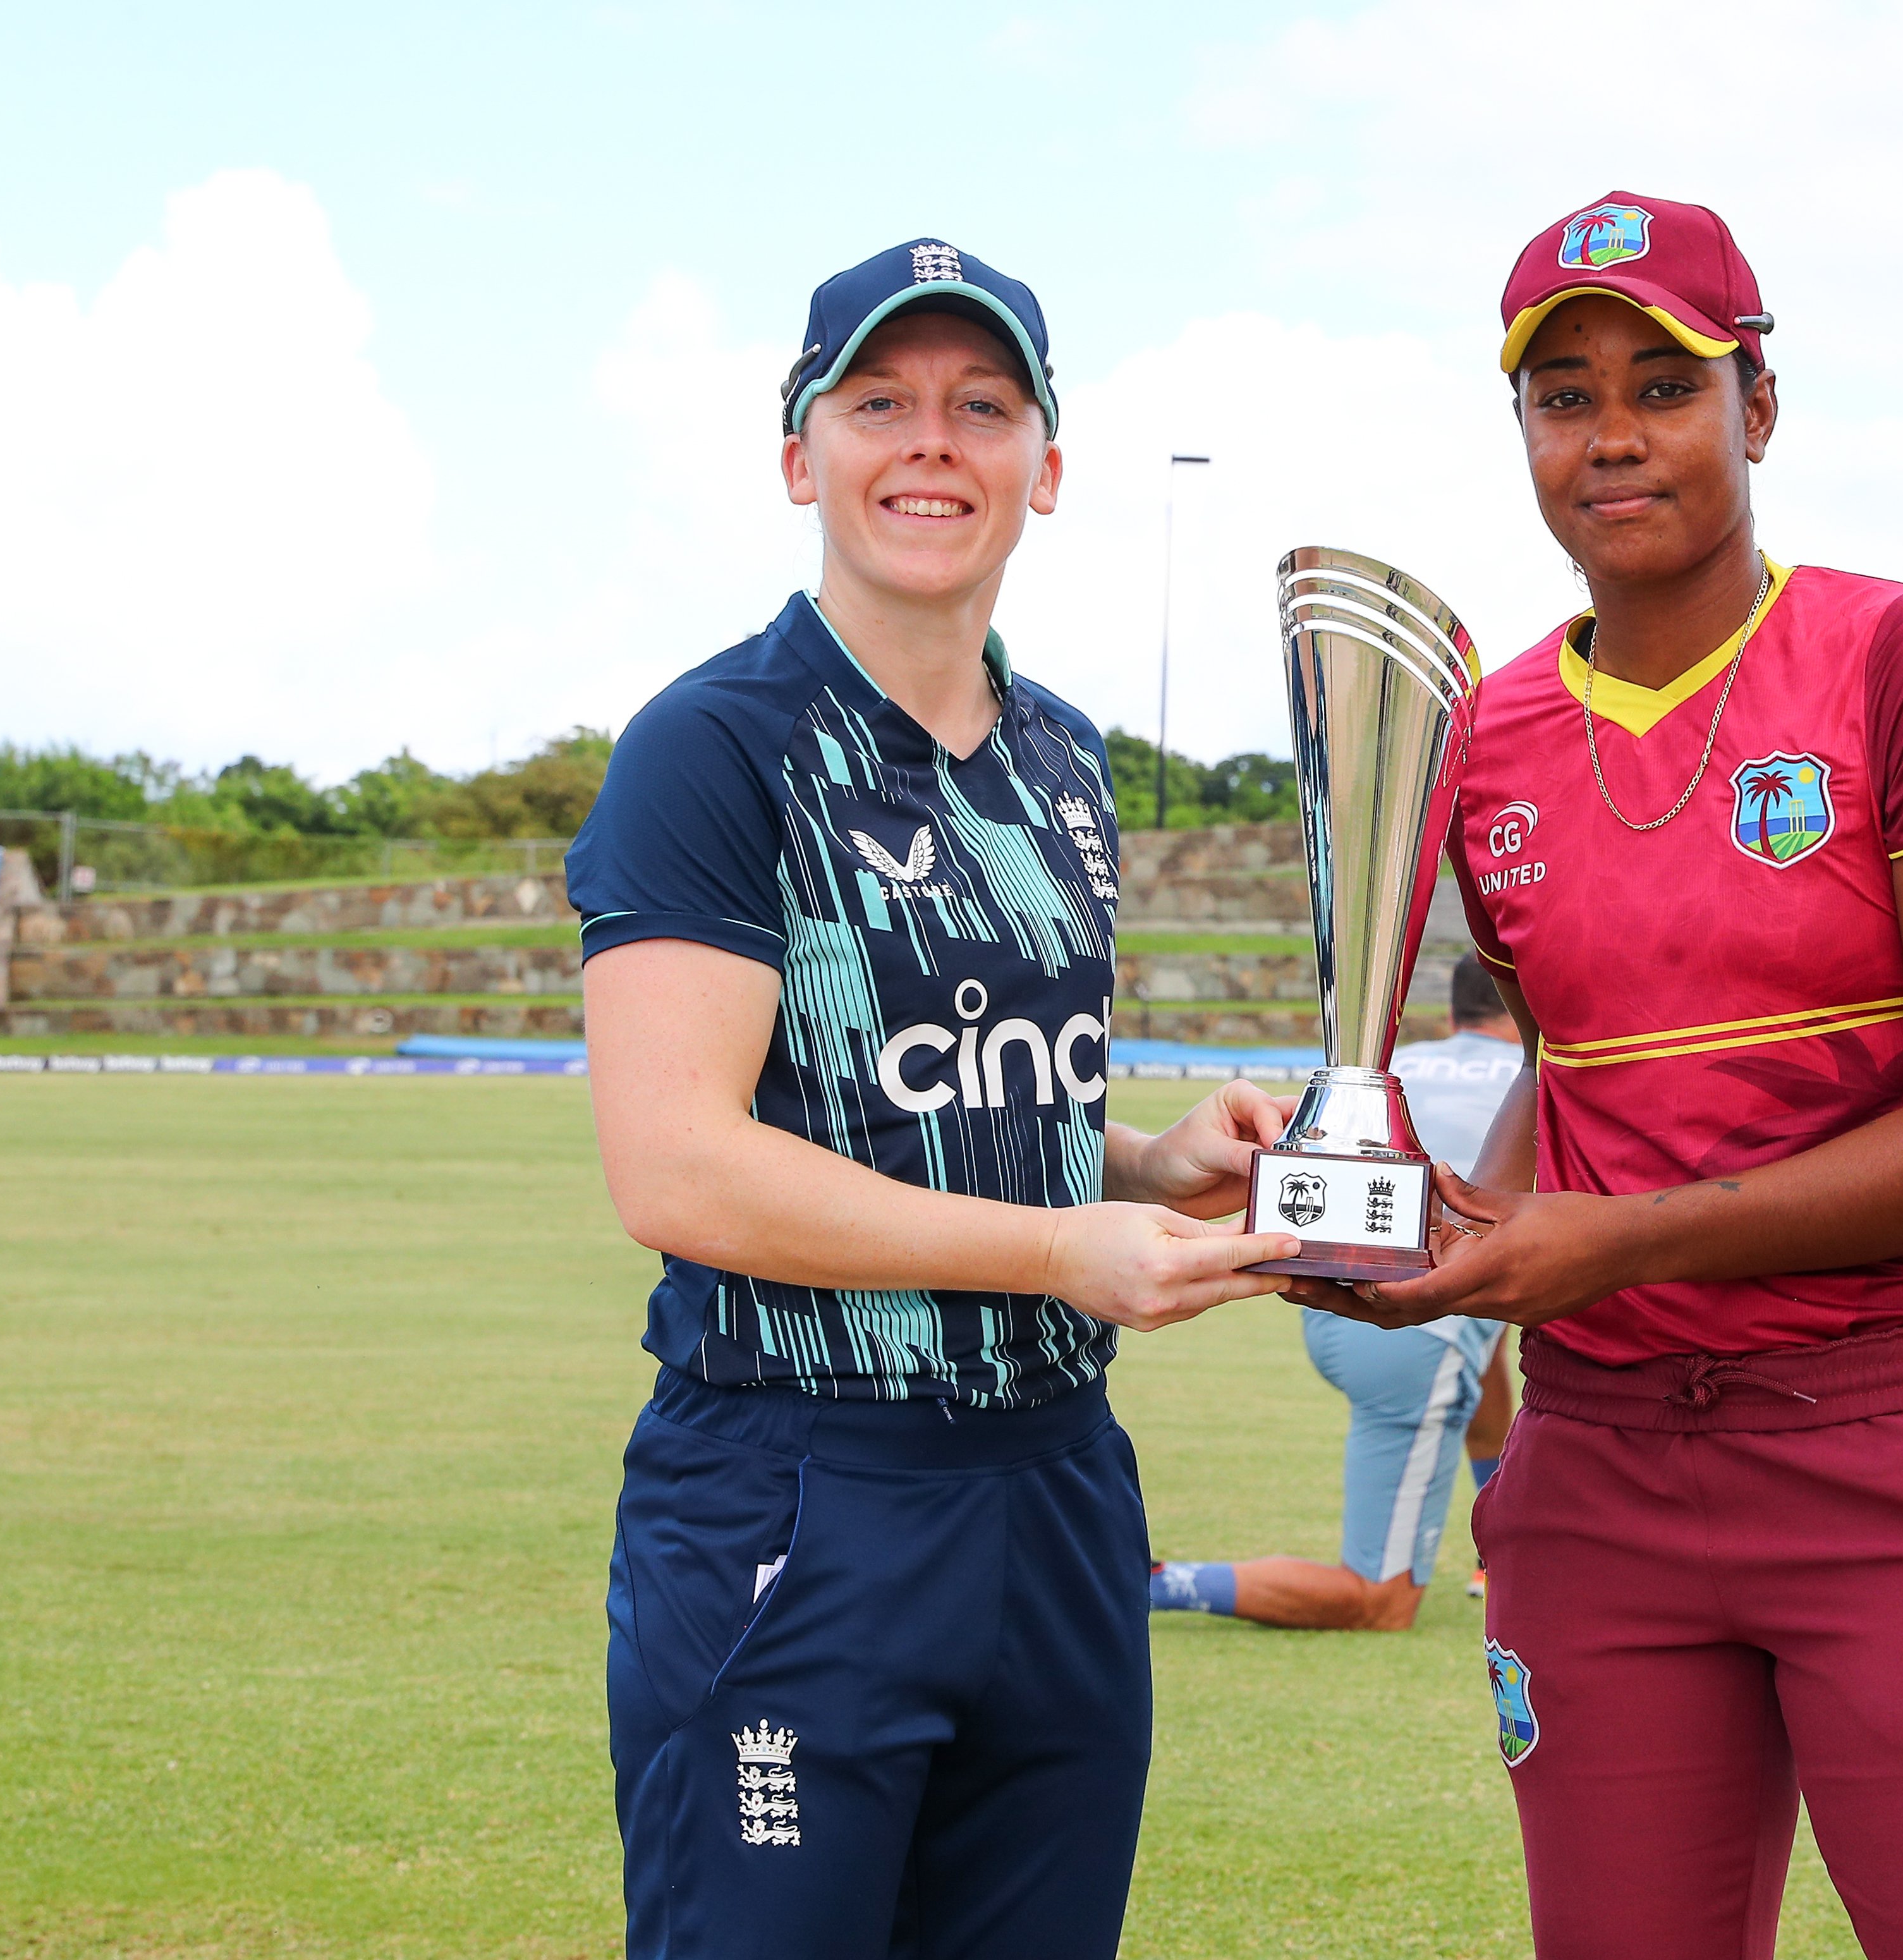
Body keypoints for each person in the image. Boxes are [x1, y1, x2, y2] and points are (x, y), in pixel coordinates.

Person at [1296, 190, 1903, 1959]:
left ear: (1757, 405)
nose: (1610, 434)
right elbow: (1564, 1071)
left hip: (1887, 1433)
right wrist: (1431, 1233)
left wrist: (1620, 1242)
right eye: (1561, 392)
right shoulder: (1487, 733)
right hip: (1597, 1468)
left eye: (1662, 382)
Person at [567, 236, 1300, 1960]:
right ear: (796, 454)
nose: (929, 443)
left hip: (1054, 1488)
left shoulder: (1061, 759)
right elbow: (678, 1162)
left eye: (982, 406)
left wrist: (1154, 1161)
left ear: (1046, 469)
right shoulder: (717, 744)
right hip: (803, 1486)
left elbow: (953, 1100)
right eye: (877, 401)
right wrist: (1059, 1244)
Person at [1148, 953, 1521, 1628]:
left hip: (1330, 1302)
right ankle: (1144, 1582)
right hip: (1415, 1332)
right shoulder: (1536, 1078)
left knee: (1481, 1353)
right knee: (1377, 1600)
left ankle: (1498, 1550)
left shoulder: (1402, 1062)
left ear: (1451, 1016)